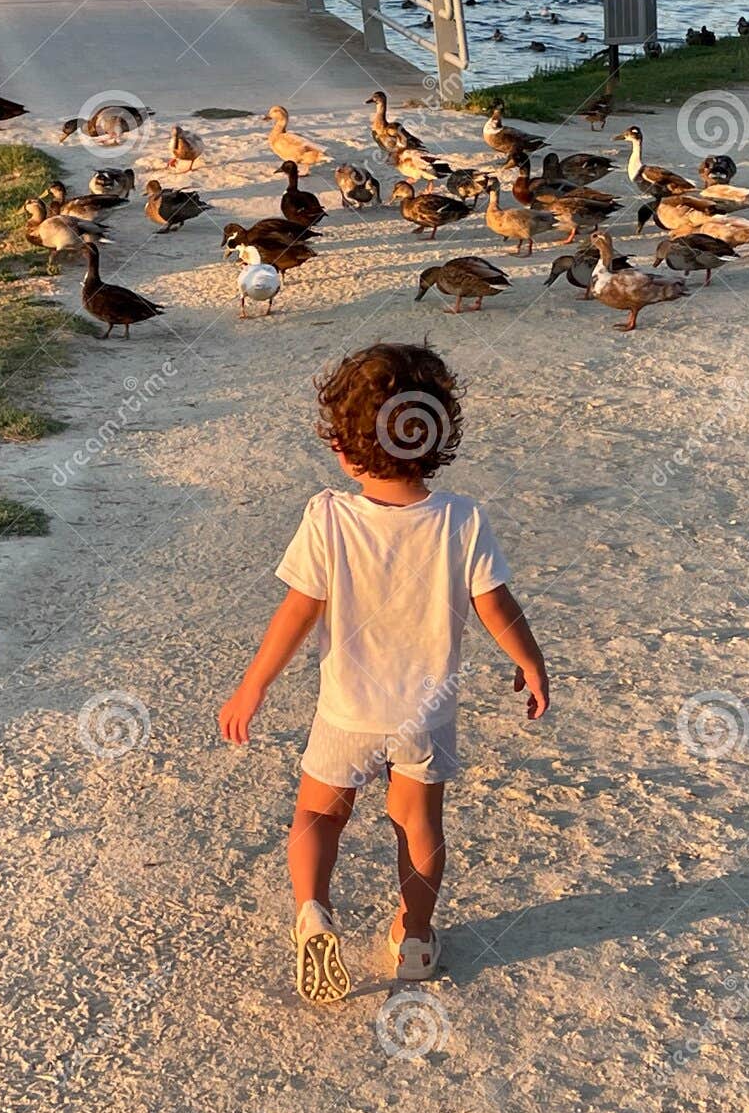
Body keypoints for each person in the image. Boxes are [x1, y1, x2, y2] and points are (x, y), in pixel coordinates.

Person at [218, 342, 550, 1003]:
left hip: (347, 710)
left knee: (316, 815)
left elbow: (298, 612)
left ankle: (312, 909)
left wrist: (252, 686)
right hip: (424, 714)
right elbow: (496, 606)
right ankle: (417, 936)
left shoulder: (329, 518)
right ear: (437, 436)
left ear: (341, 446)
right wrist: (530, 660)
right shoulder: (461, 520)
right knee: (418, 824)